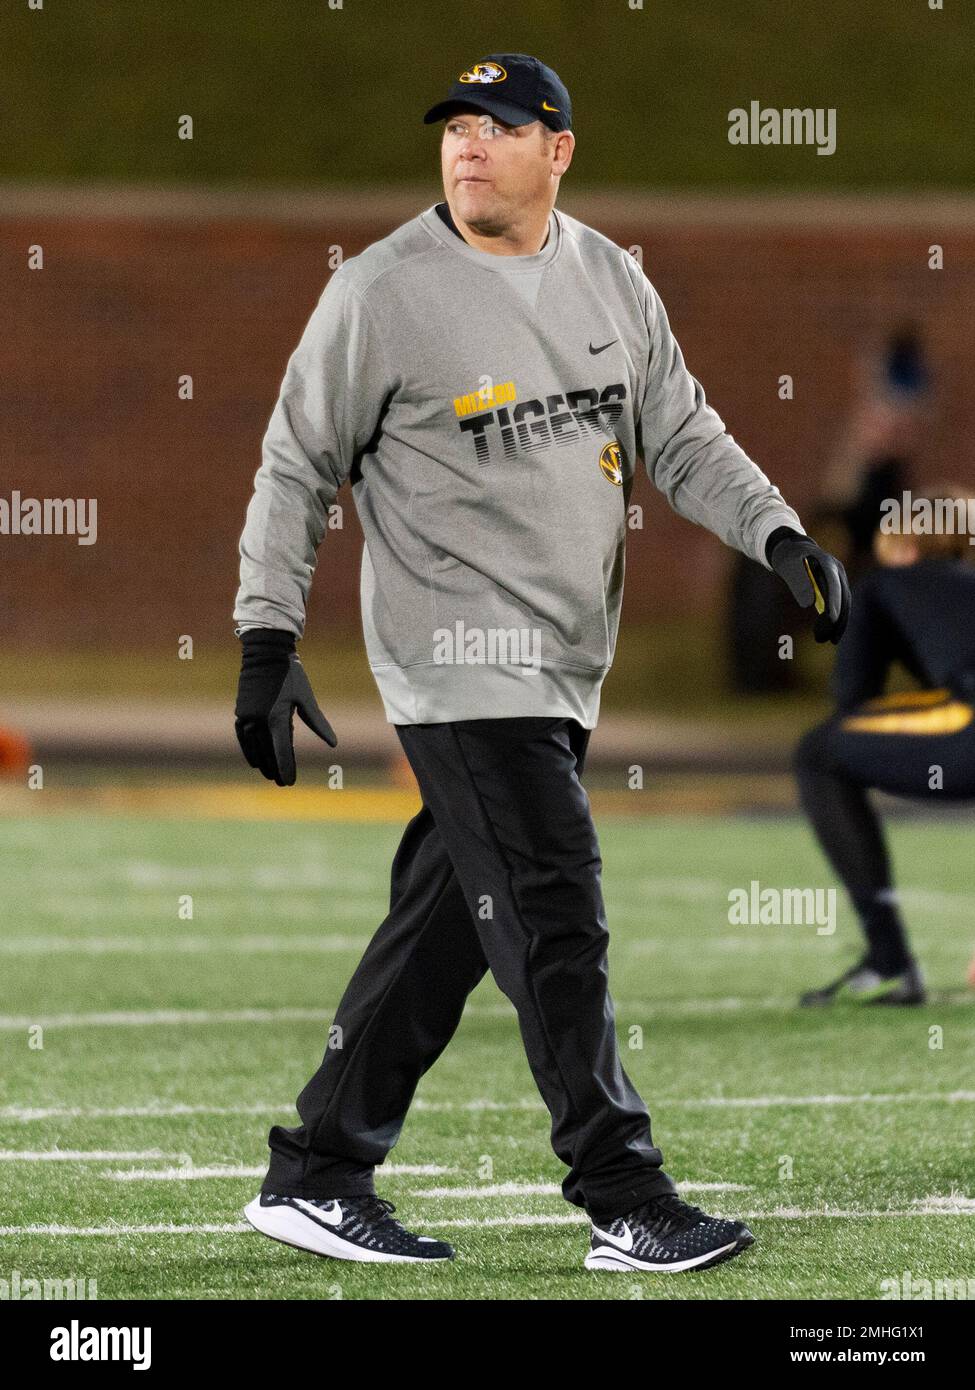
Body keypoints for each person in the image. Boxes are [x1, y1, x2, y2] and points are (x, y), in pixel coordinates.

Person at [232, 53, 849, 1271]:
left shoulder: (609, 277)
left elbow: (680, 433)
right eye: (455, 127)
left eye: (498, 127)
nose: (468, 146)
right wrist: (266, 638)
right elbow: (297, 466)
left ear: (557, 150)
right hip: (457, 667)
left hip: (564, 668)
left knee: (451, 923)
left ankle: (316, 1170)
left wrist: (778, 532)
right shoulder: (381, 290)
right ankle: (624, 1190)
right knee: (557, 907)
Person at [796, 486, 975, 1007]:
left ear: (906, 542)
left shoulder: (888, 583)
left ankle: (888, 957)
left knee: (821, 753)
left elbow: (852, 696)